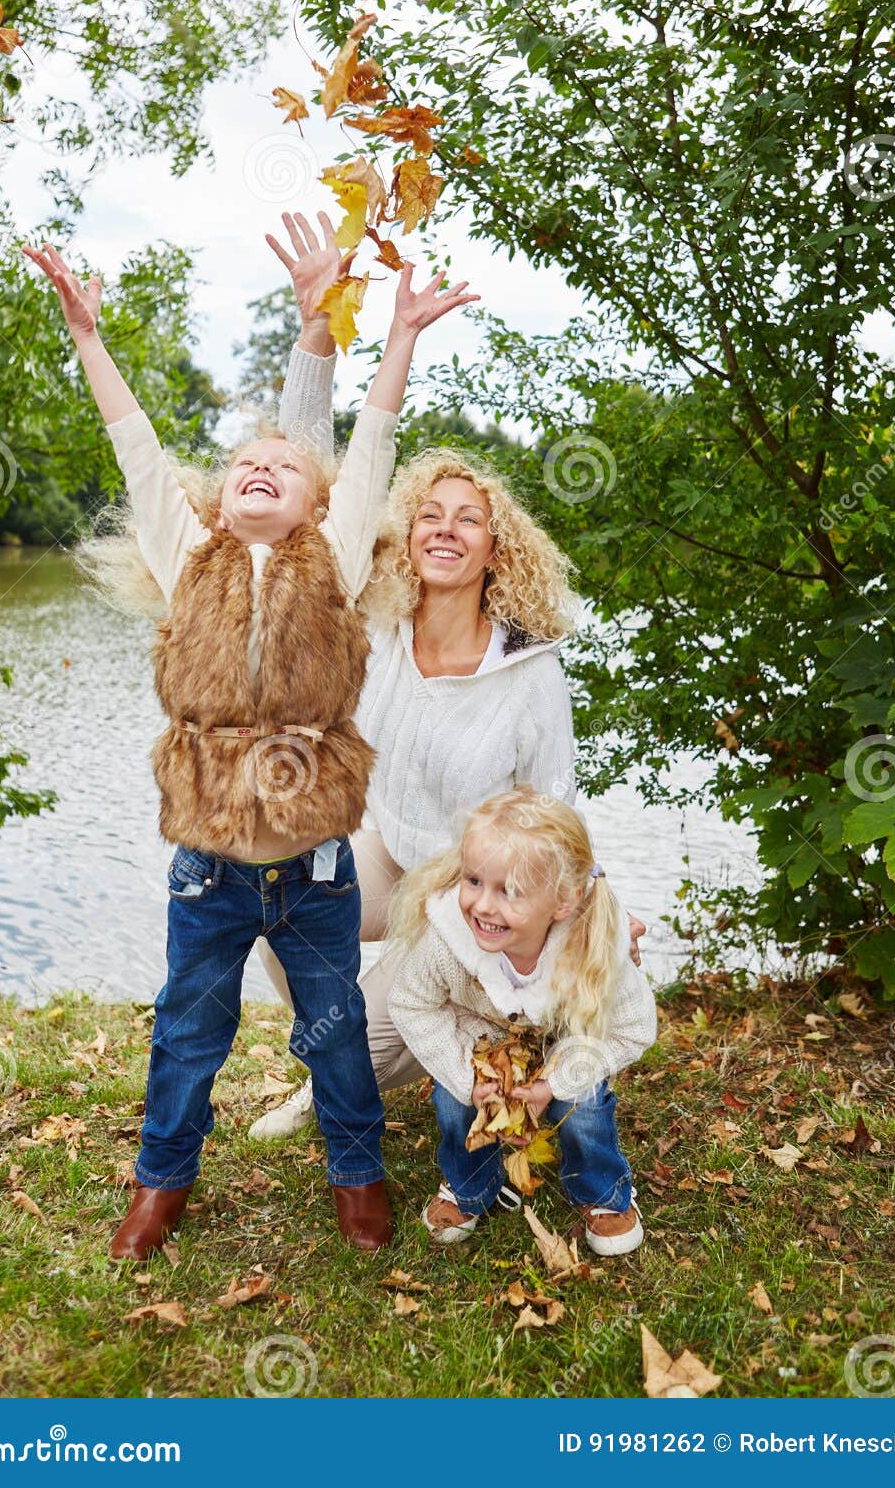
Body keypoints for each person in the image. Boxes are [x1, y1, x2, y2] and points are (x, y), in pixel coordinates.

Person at [22, 225, 478, 1259]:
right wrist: (86, 335)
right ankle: (159, 1185)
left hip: (317, 873)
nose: (260, 468)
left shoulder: (340, 563)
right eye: (242, 465)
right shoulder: (188, 556)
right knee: (186, 1036)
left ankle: (357, 1177)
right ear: (219, 501)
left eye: (282, 464)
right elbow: (133, 441)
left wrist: (397, 335)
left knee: (341, 1042)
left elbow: (371, 441)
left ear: (320, 507)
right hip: (207, 871)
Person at [251, 212, 646, 1143]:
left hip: (476, 882)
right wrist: (318, 331)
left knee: (385, 1029)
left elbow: (556, 810)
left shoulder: (528, 675)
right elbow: (310, 478)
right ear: (407, 534)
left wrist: (588, 909)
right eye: (428, 513)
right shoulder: (376, 623)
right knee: (267, 889)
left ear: (494, 551)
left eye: (467, 519)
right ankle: (328, 1061)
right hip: (392, 848)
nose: (443, 527)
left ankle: (430, 1052)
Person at [386, 787, 656, 1251]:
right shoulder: (447, 939)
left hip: (565, 1046)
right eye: (473, 881)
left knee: (585, 1111)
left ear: (563, 902)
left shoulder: (593, 944)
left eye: (508, 891)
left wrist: (554, 1084)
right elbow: (412, 1002)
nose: (483, 906)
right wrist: (463, 1074)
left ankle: (602, 1191)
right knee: (457, 1107)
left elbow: (633, 1028)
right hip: (483, 1044)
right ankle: (469, 1185)